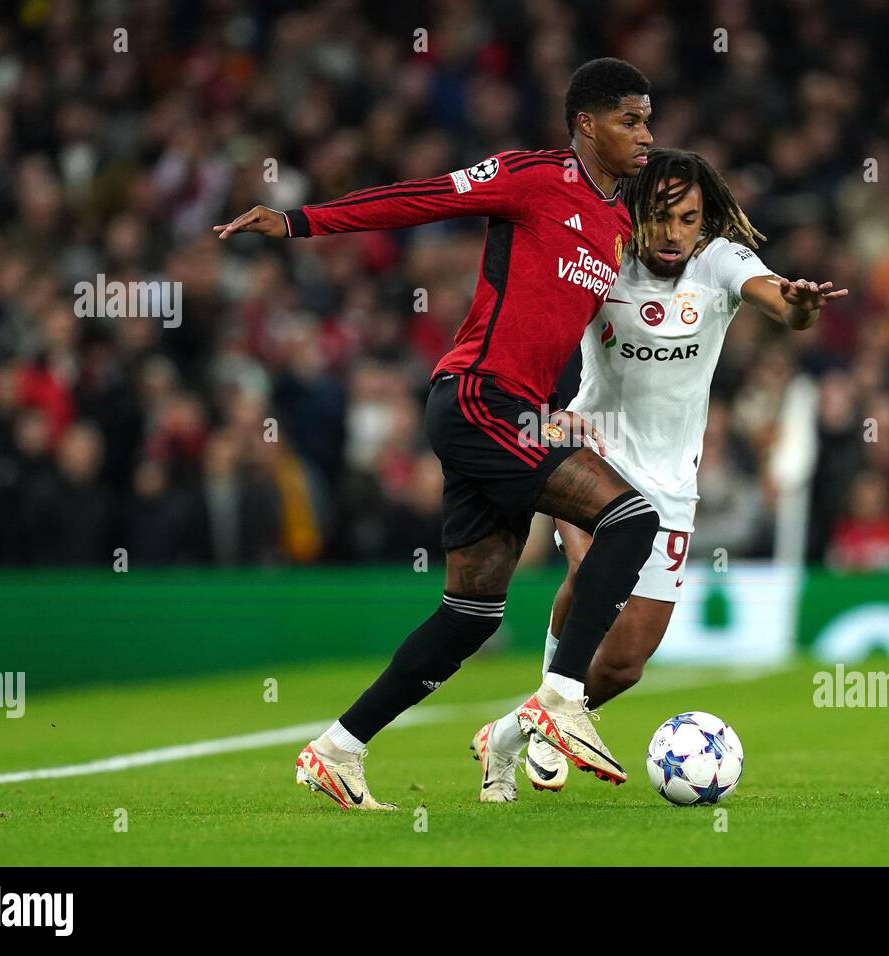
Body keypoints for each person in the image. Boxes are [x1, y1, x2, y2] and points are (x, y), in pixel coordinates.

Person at [215, 58, 658, 810]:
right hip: (478, 397)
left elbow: (563, 328)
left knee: (470, 614)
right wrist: (298, 220)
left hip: (518, 411)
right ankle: (560, 695)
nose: (646, 134)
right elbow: (420, 199)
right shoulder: (532, 176)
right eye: (631, 119)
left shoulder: (619, 225)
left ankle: (339, 749)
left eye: (648, 119)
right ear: (586, 123)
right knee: (630, 517)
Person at [470, 148, 847, 801]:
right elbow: (540, 323)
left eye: (689, 219)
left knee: (624, 663)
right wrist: (537, 415)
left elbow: (785, 308)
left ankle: (510, 732)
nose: (674, 232)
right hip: (595, 446)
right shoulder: (603, 257)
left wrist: (801, 305)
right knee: (593, 576)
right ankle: (555, 709)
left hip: (672, 479)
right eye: (661, 216)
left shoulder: (720, 261)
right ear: (635, 214)